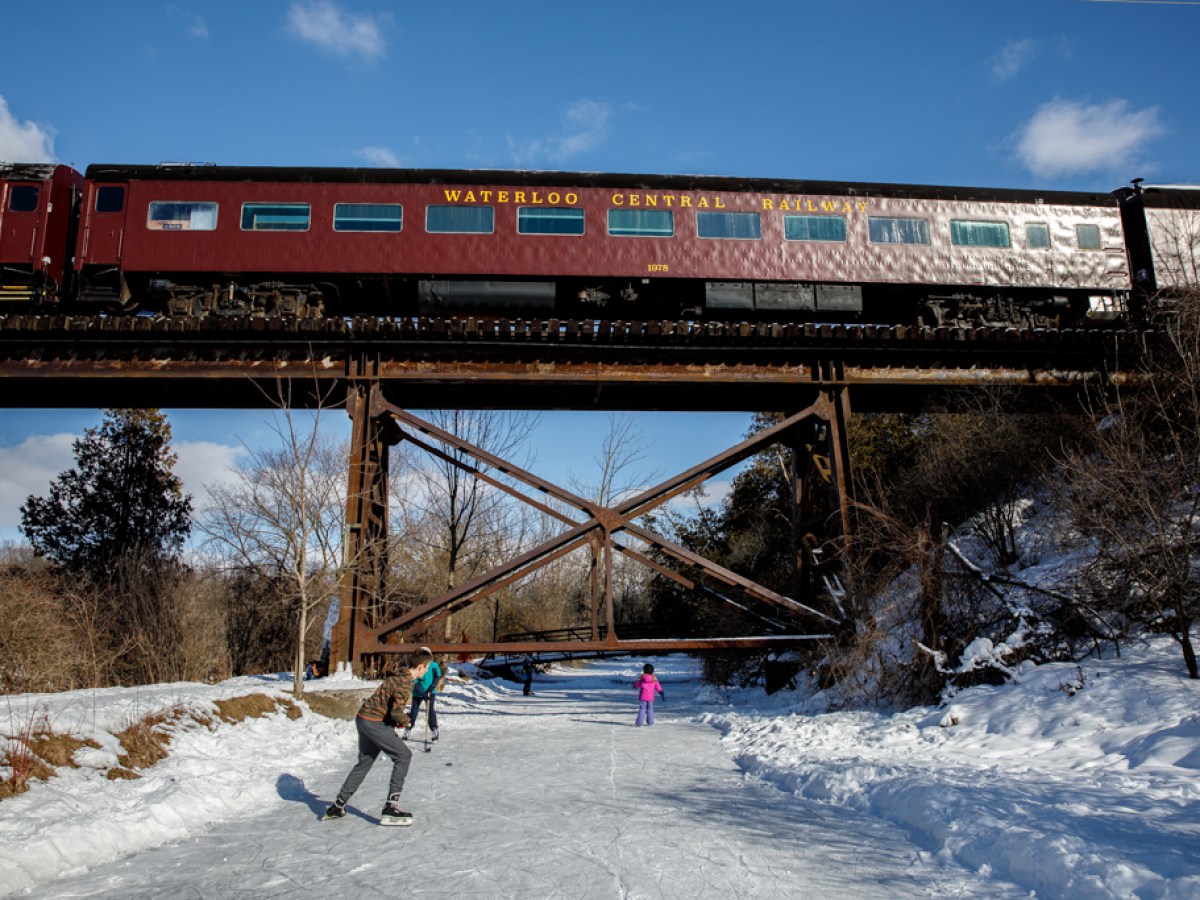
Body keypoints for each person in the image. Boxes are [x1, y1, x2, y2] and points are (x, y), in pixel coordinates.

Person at [323, 652, 431, 826]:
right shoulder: (406, 682)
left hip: (363, 718)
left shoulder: (399, 675)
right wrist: (406, 721)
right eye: (426, 668)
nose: (426, 672)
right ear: (420, 667)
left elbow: (387, 705)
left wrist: (396, 720)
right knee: (403, 756)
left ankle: (338, 805)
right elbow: (396, 712)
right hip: (374, 723)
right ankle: (391, 806)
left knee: (364, 762)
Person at [403, 646, 443, 743]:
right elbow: (415, 682)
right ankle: (408, 729)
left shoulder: (434, 665)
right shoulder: (416, 666)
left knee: (430, 711)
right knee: (414, 712)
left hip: (430, 691)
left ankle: (434, 730)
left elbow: (437, 676)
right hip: (418, 692)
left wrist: (432, 686)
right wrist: (423, 693)